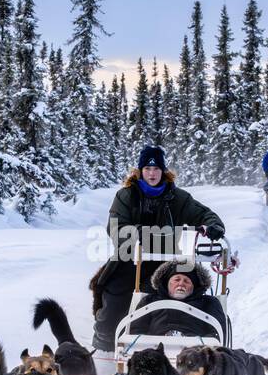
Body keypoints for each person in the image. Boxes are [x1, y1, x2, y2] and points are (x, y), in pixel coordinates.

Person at [90, 145, 225, 352]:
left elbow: (205, 215)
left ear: (163, 172)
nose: (152, 173)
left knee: (167, 302)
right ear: (140, 171)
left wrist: (213, 226)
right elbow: (115, 228)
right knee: (115, 299)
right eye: (147, 169)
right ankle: (105, 347)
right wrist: (142, 233)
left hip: (167, 261)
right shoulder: (126, 196)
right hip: (129, 258)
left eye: (156, 169)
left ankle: (171, 347)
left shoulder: (177, 198)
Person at [131, 258, 227, 340]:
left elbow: (216, 334)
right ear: (167, 284)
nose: (181, 284)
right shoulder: (149, 301)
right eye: (177, 279)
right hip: (154, 350)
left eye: (187, 281)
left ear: (194, 287)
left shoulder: (208, 303)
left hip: (196, 354)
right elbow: (136, 331)